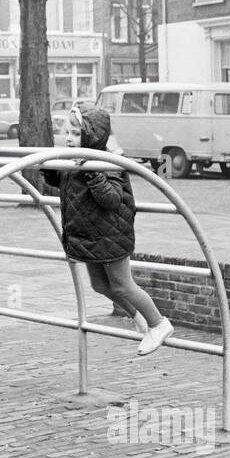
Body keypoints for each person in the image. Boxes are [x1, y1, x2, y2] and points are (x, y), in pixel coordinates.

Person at [44, 102, 174, 355]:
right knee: (100, 285)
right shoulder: (77, 160)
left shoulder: (106, 162)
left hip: (110, 234)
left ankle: (158, 323)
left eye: (75, 134)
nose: (68, 139)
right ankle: (137, 316)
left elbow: (112, 199)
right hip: (89, 236)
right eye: (67, 133)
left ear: (92, 137)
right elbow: (66, 185)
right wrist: (49, 170)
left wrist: (92, 172)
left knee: (122, 284)